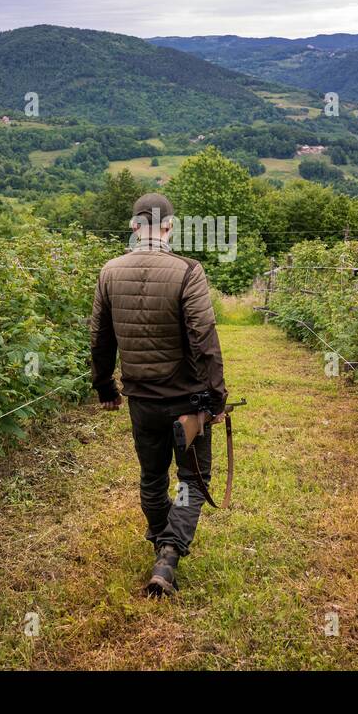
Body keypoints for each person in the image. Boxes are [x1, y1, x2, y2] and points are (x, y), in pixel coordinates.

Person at [89, 193, 227, 596]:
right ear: (171, 226)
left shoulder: (109, 272)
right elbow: (204, 339)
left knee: (152, 476)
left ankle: (162, 541)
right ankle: (168, 553)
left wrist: (105, 387)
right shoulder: (188, 271)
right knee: (191, 480)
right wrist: (215, 397)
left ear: (134, 227)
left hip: (142, 401)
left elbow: (100, 338)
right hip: (188, 402)